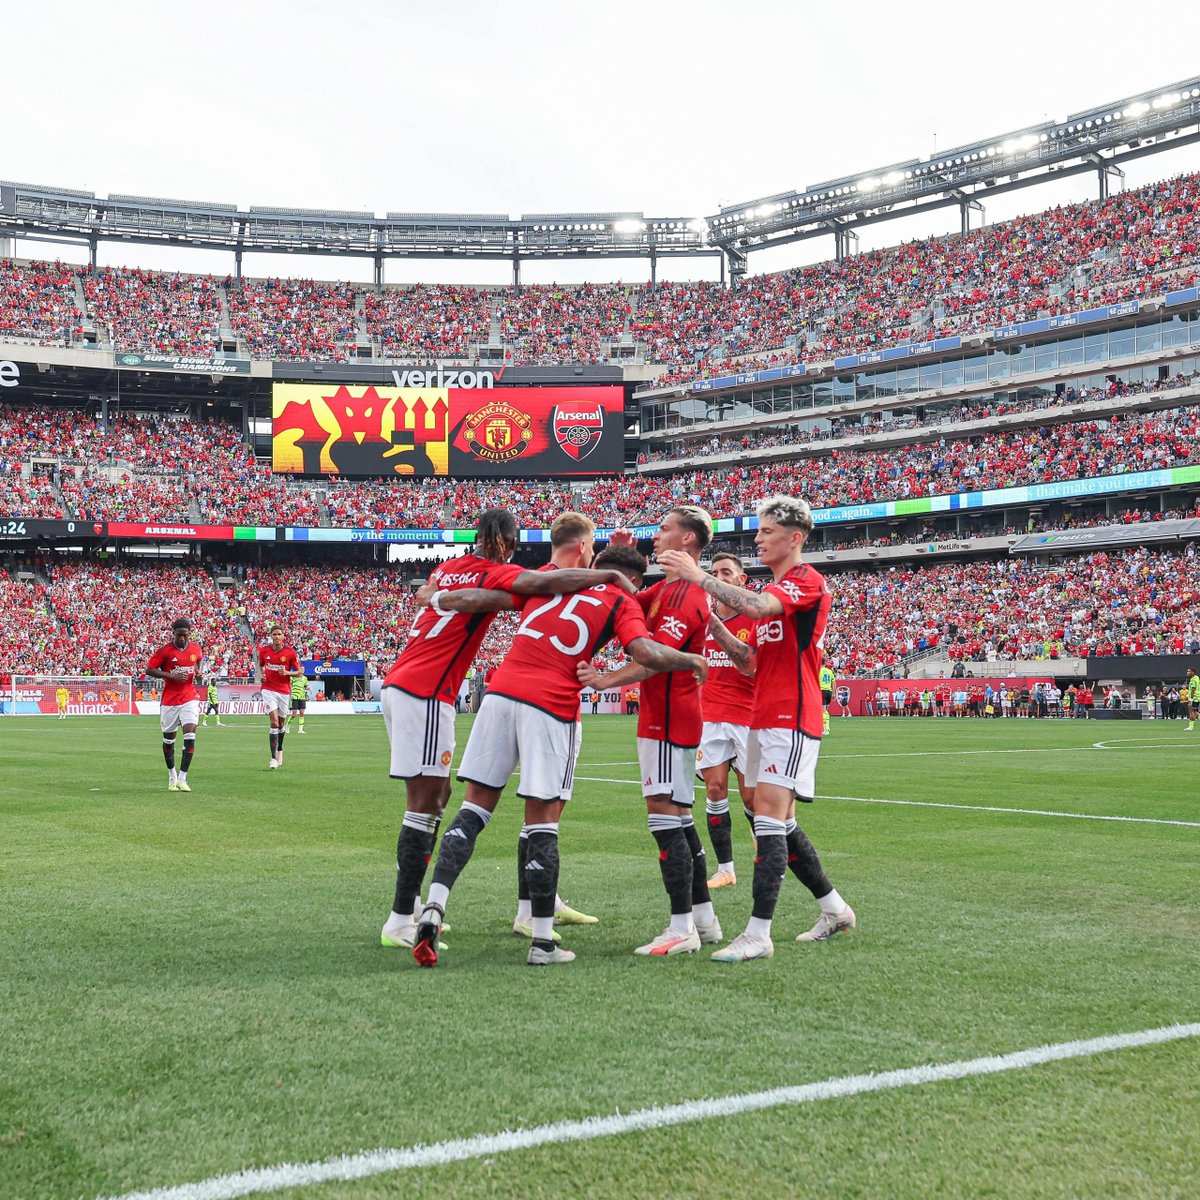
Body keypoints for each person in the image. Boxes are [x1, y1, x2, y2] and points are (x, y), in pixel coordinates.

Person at [410, 544, 706, 967]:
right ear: (633, 580)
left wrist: (435, 597)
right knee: (542, 822)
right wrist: (692, 659)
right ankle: (543, 941)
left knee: (473, 809)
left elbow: (484, 599)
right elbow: (646, 654)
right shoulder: (622, 599)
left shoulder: (549, 583)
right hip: (550, 705)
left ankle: (435, 905)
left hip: (499, 695)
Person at [378, 508, 638, 952]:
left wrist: (434, 596)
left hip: (409, 682)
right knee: (425, 807)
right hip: (426, 689)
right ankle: (402, 917)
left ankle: (423, 906)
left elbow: (454, 596)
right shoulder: (498, 572)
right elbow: (540, 584)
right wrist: (608, 576)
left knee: (441, 800)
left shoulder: (447, 568)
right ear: (508, 543)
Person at [660, 494, 856, 964]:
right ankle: (835, 909)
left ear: (794, 538)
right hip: (764, 716)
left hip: (792, 715)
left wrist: (700, 577)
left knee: (766, 817)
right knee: (781, 823)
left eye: (766, 531)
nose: (758, 538)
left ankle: (757, 933)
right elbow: (750, 662)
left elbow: (763, 608)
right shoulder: (778, 588)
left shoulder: (804, 582)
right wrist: (714, 625)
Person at [578, 505, 719, 957]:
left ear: (688, 542)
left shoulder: (685, 595)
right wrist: (617, 553)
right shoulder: (665, 589)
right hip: (669, 715)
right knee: (679, 818)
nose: (655, 537)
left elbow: (654, 657)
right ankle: (703, 918)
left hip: (668, 717)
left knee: (664, 819)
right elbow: (618, 596)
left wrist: (604, 680)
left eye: (664, 530)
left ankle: (681, 927)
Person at [695, 551, 757, 890]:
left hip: (748, 717)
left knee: (750, 798)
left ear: (741, 580)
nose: (719, 577)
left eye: (727, 572)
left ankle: (760, 836)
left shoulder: (755, 619)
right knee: (715, 788)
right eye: (714, 572)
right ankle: (726, 868)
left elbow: (753, 666)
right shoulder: (698, 618)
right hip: (711, 717)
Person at [145, 617, 203, 793]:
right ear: (174, 634)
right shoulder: (165, 651)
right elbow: (149, 669)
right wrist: (171, 676)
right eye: (179, 636)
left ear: (189, 634)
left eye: (185, 636)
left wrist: (198, 671)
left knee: (190, 735)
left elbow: (198, 659)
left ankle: (183, 778)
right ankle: (172, 776)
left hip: (190, 698)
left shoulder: (195, 648)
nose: (182, 639)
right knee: (169, 741)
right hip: (170, 701)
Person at [258, 625, 303, 768]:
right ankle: (272, 758)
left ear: (283, 636)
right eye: (274, 634)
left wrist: (288, 673)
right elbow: (260, 666)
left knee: (281, 725)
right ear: (270, 636)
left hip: (284, 691)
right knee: (274, 723)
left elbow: (300, 672)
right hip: (268, 689)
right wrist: (262, 675)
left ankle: (280, 749)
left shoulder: (290, 653)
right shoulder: (264, 651)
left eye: (279, 634)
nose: (277, 637)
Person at [819, 658, 835, 734]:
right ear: (825, 663)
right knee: (825, 710)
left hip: (822, 690)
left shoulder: (818, 671)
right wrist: (834, 693)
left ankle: (826, 729)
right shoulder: (829, 671)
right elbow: (834, 682)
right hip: (829, 691)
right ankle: (825, 728)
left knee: (823, 711)